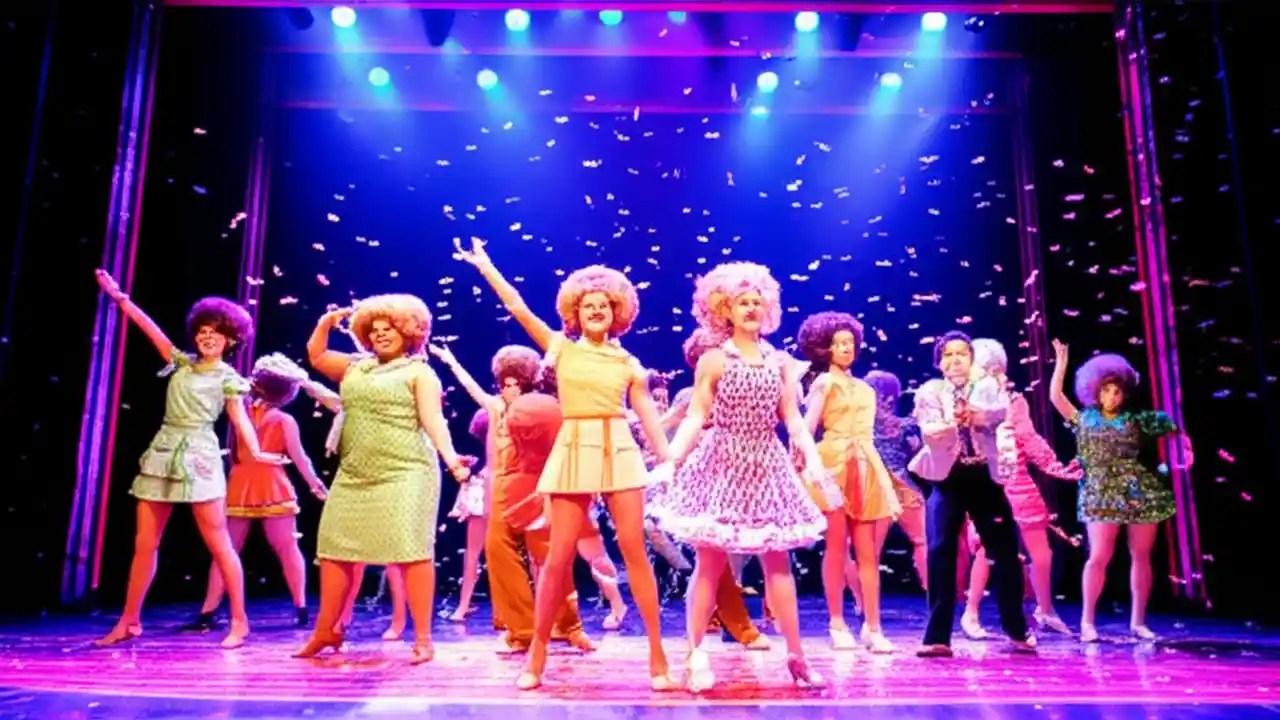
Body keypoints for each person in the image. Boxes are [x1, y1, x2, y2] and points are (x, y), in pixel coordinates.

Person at [455, 239, 674, 690]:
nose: (596, 310)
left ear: (617, 313)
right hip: (574, 445)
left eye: (604, 305)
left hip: (617, 447)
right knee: (557, 556)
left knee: (634, 551)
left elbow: (648, 413)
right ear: (576, 310)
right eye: (588, 304)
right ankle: (536, 654)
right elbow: (518, 308)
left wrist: (669, 460)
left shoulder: (629, 363)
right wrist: (487, 267)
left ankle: (658, 658)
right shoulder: (561, 347)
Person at [655, 262, 827, 691]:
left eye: (757, 301)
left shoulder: (780, 362)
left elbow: (792, 417)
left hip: (766, 466)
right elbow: (696, 416)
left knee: (778, 562)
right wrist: (671, 458)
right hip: (723, 463)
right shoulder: (714, 359)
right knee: (711, 562)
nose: (751, 308)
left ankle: (796, 656)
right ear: (725, 309)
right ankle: (695, 654)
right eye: (742, 302)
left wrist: (812, 456)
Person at [92, 269, 284, 649]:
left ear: (230, 339)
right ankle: (129, 621)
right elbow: (150, 329)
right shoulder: (179, 362)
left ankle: (240, 622)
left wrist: (258, 451)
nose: (207, 336)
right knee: (144, 543)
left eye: (215, 331)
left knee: (218, 543)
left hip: (199, 455)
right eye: (202, 330)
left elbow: (239, 418)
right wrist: (118, 296)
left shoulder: (228, 377)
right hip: (164, 451)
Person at [293, 295, 470, 664]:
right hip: (355, 474)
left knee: (412, 552)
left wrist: (453, 461)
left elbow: (434, 421)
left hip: (406, 472)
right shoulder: (356, 367)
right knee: (334, 549)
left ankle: (422, 638)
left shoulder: (419, 372)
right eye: (373, 331)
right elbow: (316, 355)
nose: (380, 335)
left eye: (388, 329)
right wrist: (327, 322)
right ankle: (327, 631)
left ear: (407, 331)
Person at [1048, 339, 1194, 642]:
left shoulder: (1137, 419)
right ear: (1095, 391)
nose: (1112, 395)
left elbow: (1171, 427)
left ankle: (1138, 621)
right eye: (1106, 390)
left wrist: (1185, 445)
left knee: (1141, 555)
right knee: (1099, 555)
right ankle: (1087, 621)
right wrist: (1061, 364)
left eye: (1117, 390)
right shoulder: (1084, 419)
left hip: (1137, 490)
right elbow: (1055, 397)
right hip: (1100, 492)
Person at [909, 330, 1035, 658]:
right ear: (939, 363)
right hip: (948, 478)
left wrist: (976, 416)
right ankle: (937, 636)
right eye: (948, 355)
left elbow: (997, 415)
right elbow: (931, 433)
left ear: (971, 358)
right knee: (940, 550)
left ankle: (1017, 629)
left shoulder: (988, 387)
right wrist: (955, 421)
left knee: (1006, 552)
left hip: (982, 475)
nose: (955, 360)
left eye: (961, 354)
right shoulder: (930, 392)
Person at [188, 353, 328, 631]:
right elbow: (300, 458)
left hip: (241, 485)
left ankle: (208, 610)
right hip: (273, 486)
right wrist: (314, 483)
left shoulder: (238, 411)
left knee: (225, 550)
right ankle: (301, 607)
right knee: (288, 549)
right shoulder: (283, 420)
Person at [798, 311, 900, 654]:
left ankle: (873, 626)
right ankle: (837, 622)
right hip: (833, 465)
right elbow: (806, 428)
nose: (845, 348)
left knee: (868, 551)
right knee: (837, 547)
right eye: (839, 344)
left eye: (850, 343)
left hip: (865, 465)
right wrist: (803, 465)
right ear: (826, 348)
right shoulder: (824, 383)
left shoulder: (866, 389)